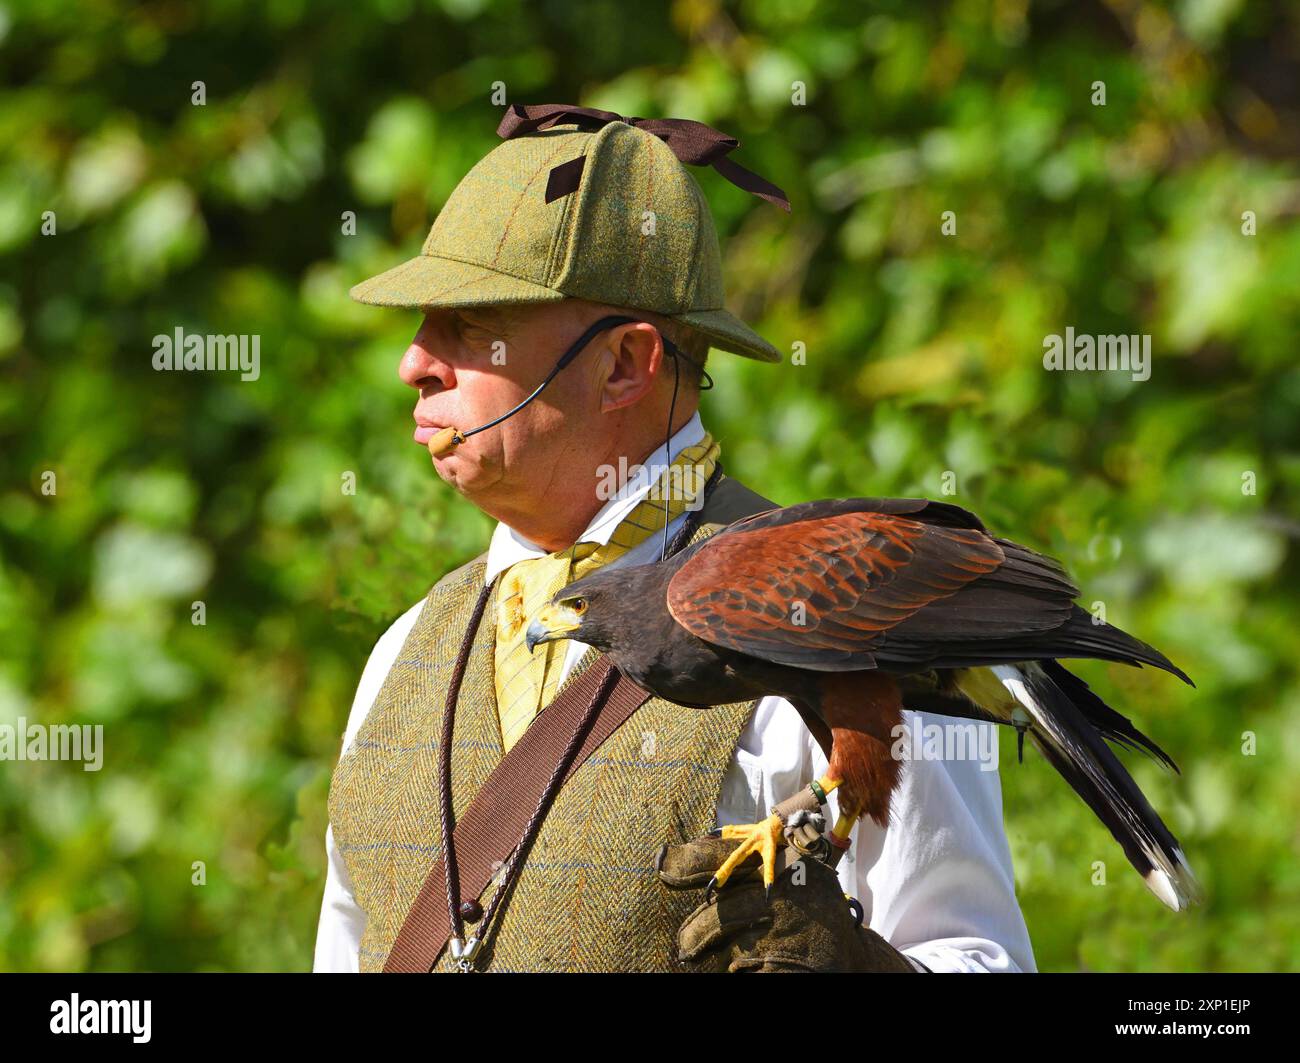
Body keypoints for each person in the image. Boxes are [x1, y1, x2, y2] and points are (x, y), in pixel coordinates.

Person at [313, 105, 1035, 973]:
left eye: (472, 323)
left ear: (625, 363)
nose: (414, 361)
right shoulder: (402, 655)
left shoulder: (828, 601)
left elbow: (978, 957)